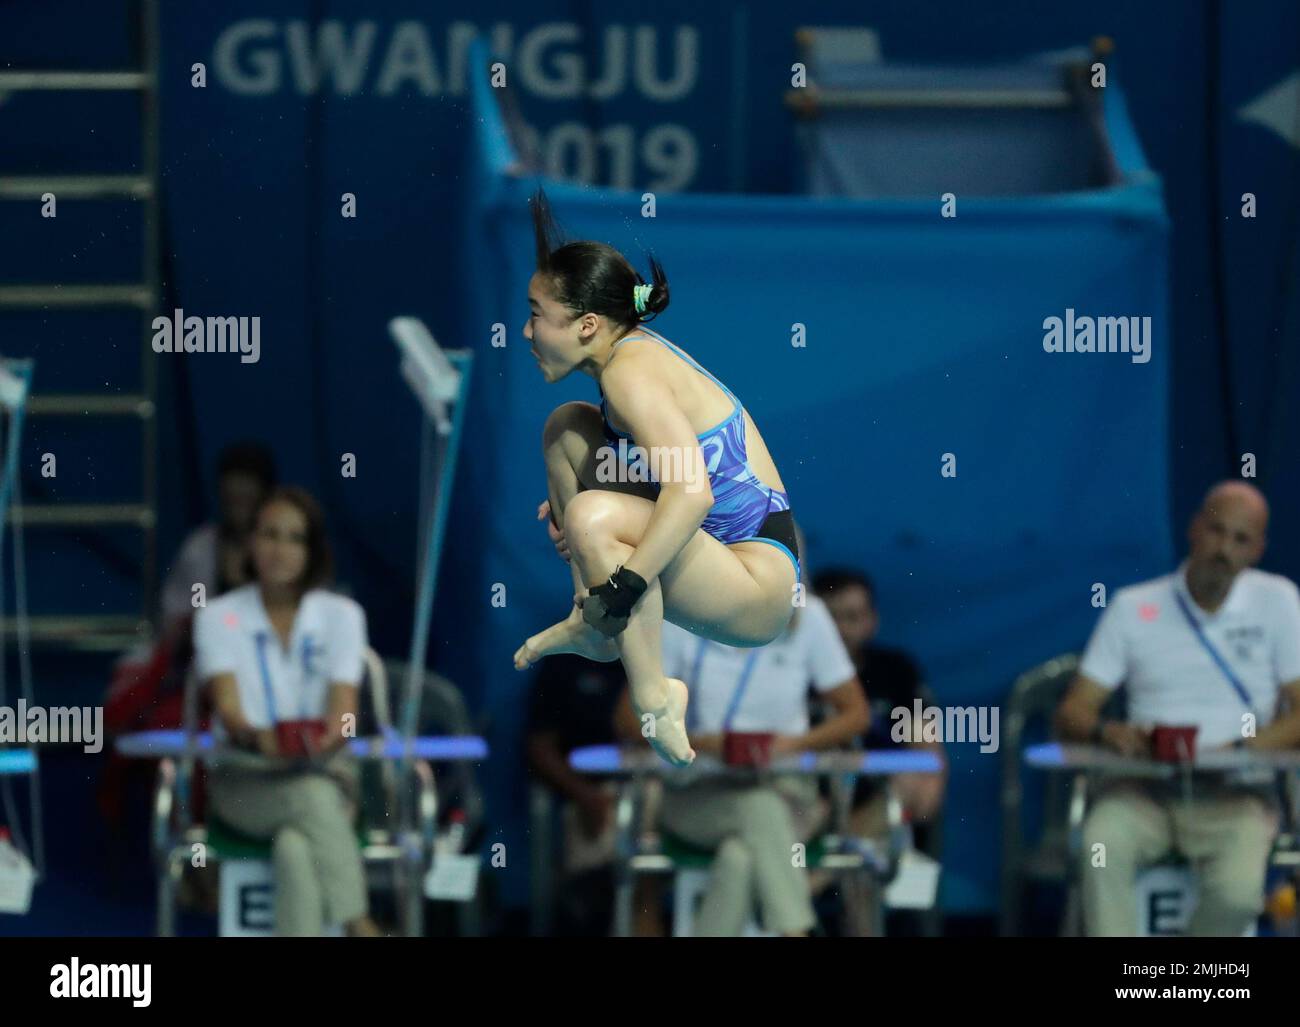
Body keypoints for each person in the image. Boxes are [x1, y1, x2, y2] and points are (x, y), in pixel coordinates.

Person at [512, 188, 800, 768]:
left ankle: (654, 694)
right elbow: (672, 479)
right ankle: (592, 622)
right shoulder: (623, 360)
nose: (525, 332)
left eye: (537, 315)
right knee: (566, 429)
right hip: (717, 548)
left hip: (759, 585)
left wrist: (627, 582)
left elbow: (694, 493)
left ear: (587, 324)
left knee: (593, 520)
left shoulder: (630, 374)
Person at [1056, 481, 1300, 936]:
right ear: (1193, 529)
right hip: (1143, 789)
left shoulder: (1278, 601)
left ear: (1258, 550)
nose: (1224, 549)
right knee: (1100, 846)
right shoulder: (1133, 607)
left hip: (1236, 795)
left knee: (1238, 893)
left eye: (1240, 539)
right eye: (1216, 531)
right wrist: (1107, 732)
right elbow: (1074, 711)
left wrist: (1240, 748)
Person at [613, 575, 869, 937]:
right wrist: (703, 742)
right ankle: (796, 930)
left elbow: (856, 714)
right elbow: (628, 720)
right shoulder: (678, 617)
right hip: (697, 793)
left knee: (741, 856)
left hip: (789, 791)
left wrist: (790, 745)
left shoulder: (809, 617)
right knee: (759, 810)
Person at [193, 486, 380, 937]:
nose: (280, 548)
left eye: (295, 537)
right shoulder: (217, 616)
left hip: (325, 776)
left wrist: (309, 744)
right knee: (311, 801)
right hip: (244, 780)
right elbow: (232, 714)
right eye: (270, 534)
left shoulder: (342, 615)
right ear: (250, 543)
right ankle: (361, 924)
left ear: (312, 550)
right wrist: (267, 742)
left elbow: (344, 718)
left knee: (296, 848)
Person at [812, 567, 947, 935]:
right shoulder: (795, 670)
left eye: (852, 617)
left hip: (885, 808)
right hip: (812, 806)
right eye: (831, 618)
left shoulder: (896, 671)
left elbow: (929, 761)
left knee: (906, 789)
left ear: (872, 621)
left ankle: (813, 880)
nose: (841, 629)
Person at [159, 442, 276, 633]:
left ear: (266, 497)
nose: (239, 512)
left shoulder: (283, 548)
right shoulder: (199, 549)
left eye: (245, 501)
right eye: (232, 502)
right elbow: (174, 613)